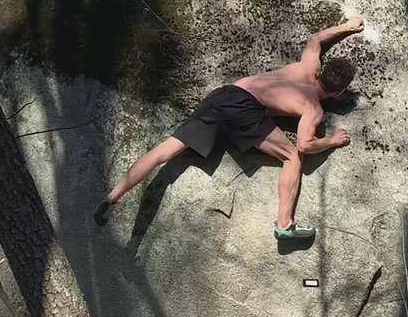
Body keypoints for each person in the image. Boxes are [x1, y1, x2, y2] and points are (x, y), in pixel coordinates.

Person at [93, 16, 364, 239]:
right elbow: (305, 145)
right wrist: (332, 140)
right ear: (338, 93)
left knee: (165, 151)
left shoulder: (307, 66)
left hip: (223, 95)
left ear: (321, 71)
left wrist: (347, 27)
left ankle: (113, 195)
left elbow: (315, 40)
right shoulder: (312, 109)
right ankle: (284, 224)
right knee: (292, 157)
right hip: (245, 108)